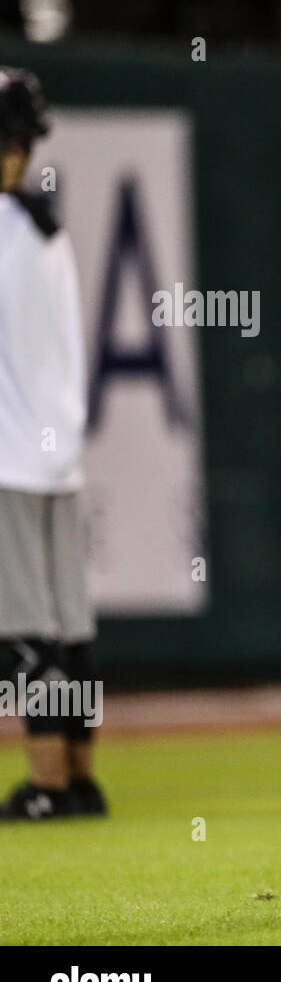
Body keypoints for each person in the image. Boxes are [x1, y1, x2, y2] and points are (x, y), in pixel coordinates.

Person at [0, 67, 107, 821]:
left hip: (8, 457)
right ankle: (78, 778)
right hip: (58, 455)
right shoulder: (45, 225)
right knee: (69, 631)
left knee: (28, 630)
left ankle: (47, 787)